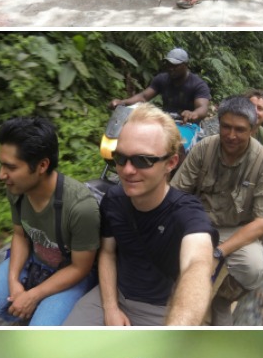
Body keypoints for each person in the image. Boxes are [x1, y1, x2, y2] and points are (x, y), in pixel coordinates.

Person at [63, 104, 216, 327]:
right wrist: (111, 308)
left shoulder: (186, 212)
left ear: (171, 163)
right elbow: (108, 252)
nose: (127, 170)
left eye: (142, 160)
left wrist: (179, 327)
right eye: (120, 158)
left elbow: (197, 264)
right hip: (113, 295)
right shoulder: (114, 199)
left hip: (161, 308)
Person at [0, 116, 99, 326]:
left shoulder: (80, 207)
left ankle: (45, 310)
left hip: (69, 272)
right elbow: (20, 235)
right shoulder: (17, 190)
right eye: (2, 165)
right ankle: (30, 309)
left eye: (11, 167)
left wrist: (33, 295)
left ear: (42, 165)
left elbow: (80, 268)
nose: (2, 175)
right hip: (35, 261)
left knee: (41, 327)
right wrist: (13, 281)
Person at [172, 96, 263, 325]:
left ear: (253, 130)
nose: (231, 135)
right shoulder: (204, 148)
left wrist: (218, 252)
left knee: (254, 269)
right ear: (219, 124)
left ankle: (222, 299)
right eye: (226, 127)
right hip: (197, 220)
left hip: (235, 227)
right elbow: (177, 193)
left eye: (240, 130)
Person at [110, 46, 211, 127]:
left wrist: (193, 114)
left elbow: (202, 107)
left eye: (175, 65)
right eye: (169, 64)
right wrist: (122, 103)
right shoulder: (162, 79)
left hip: (188, 125)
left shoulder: (198, 84)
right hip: (166, 123)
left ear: (186, 65)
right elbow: (143, 97)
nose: (171, 68)